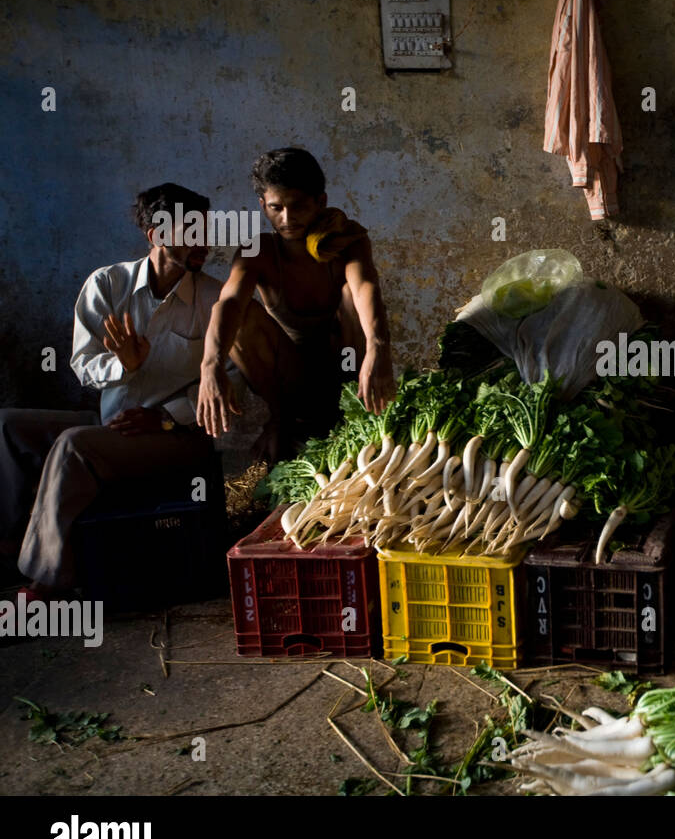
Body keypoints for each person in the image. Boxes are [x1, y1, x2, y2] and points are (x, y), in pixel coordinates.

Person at [0, 184, 236, 595]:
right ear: (157, 236)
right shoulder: (108, 285)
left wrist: (164, 418)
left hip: (178, 437)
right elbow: (83, 366)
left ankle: (47, 580)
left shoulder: (217, 299)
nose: (205, 241)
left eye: (207, 228)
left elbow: (232, 378)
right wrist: (122, 364)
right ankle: (12, 547)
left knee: (75, 445)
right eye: (191, 231)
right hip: (112, 424)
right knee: (9, 426)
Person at [196, 148, 396, 458]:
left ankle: (353, 412)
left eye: (299, 206)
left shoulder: (347, 241)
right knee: (242, 315)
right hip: (291, 379)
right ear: (263, 206)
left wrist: (378, 348)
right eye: (276, 208)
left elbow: (365, 286)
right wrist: (210, 366)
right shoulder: (257, 251)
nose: (287, 219)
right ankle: (280, 420)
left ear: (321, 201)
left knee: (350, 295)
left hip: (345, 366)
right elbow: (229, 303)